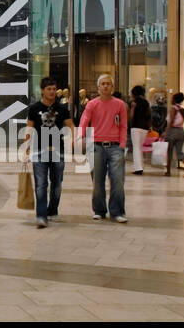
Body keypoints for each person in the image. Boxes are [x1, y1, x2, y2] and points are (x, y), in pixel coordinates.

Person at [77, 74, 128, 223]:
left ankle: (117, 211)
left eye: (108, 84)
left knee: (118, 180)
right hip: (96, 147)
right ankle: (99, 210)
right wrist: (80, 138)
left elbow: (124, 125)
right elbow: (84, 121)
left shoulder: (119, 104)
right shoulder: (92, 104)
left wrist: (122, 144)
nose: (105, 86)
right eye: (103, 84)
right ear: (98, 87)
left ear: (112, 87)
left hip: (115, 147)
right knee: (97, 182)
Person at [27, 76, 72, 227]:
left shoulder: (62, 108)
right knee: (41, 184)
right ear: (42, 91)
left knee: (57, 184)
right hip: (39, 151)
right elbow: (29, 128)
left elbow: (70, 125)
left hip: (57, 151)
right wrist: (26, 145)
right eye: (49, 89)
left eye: (54, 89)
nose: (52, 92)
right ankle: (41, 215)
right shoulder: (34, 108)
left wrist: (74, 139)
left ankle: (52, 210)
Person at [163, 92, 184, 177]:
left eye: (172, 98)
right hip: (181, 131)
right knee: (179, 152)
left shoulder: (173, 108)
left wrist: (166, 131)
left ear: (175, 99)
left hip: (173, 131)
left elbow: (171, 121)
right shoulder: (183, 110)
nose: (171, 100)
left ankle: (168, 171)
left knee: (169, 152)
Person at [129, 85, 151, 175]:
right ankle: (140, 166)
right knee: (140, 147)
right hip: (145, 127)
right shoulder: (146, 102)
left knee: (136, 147)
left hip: (136, 127)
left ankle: (138, 168)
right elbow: (149, 114)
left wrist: (133, 108)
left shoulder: (134, 102)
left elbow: (131, 116)